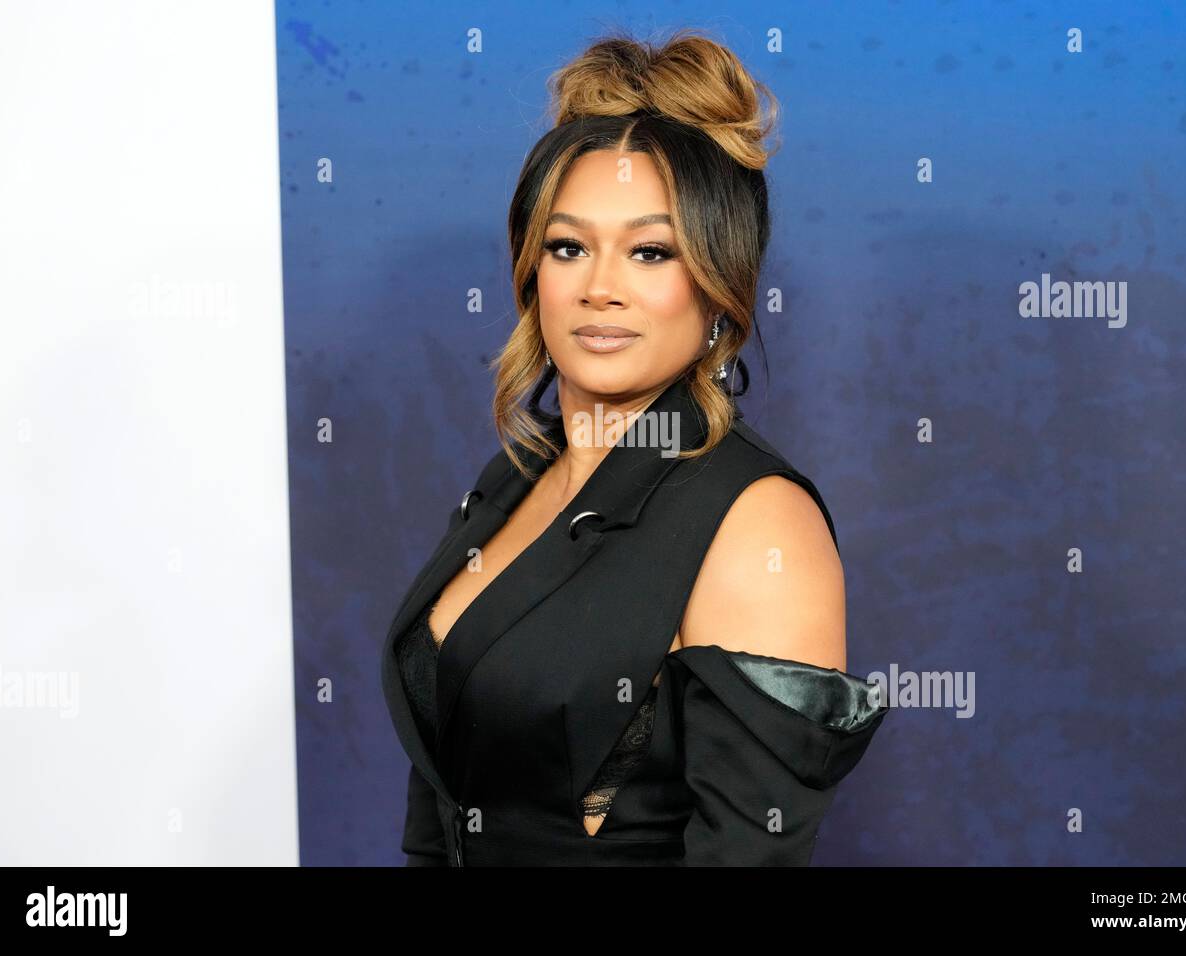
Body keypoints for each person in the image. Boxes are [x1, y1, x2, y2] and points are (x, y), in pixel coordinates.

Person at [380, 29, 888, 866]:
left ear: (720, 283)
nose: (599, 286)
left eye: (651, 251)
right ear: (529, 269)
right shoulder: (513, 480)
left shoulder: (756, 523)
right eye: (568, 246)